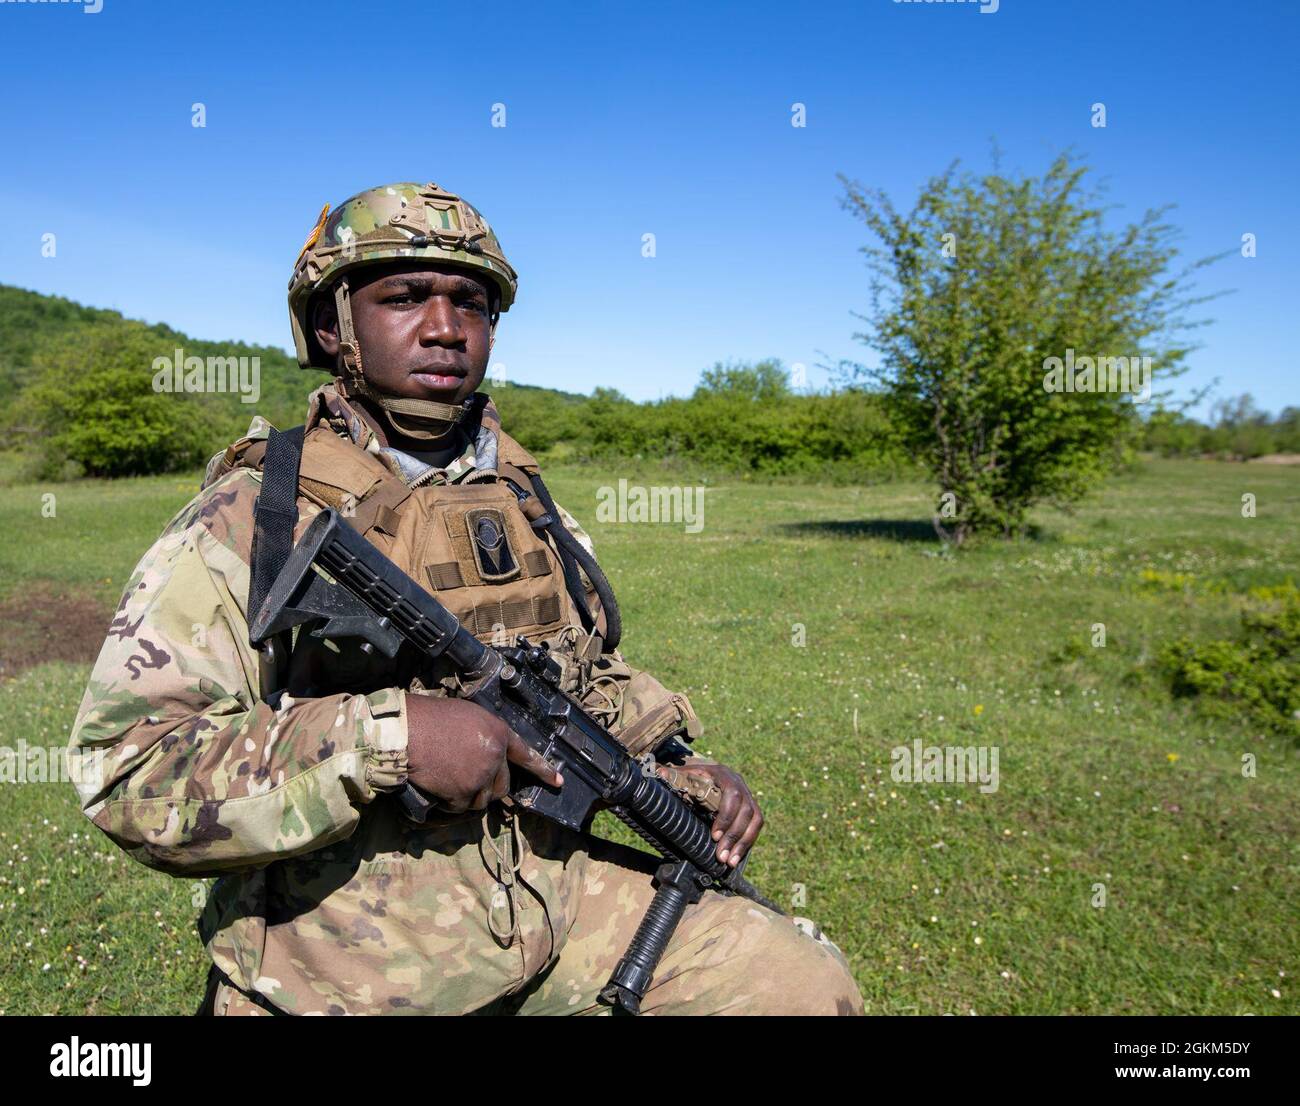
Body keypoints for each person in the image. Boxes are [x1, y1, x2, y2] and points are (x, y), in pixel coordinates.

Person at [67, 181, 865, 1016]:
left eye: (472, 303)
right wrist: (386, 742)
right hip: (338, 965)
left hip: (547, 912)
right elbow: (132, 768)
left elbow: (580, 678)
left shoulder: (521, 501)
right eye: (404, 297)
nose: (446, 326)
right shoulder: (254, 515)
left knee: (795, 983)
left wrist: (680, 767)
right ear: (334, 324)